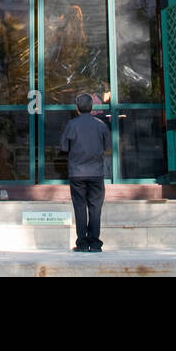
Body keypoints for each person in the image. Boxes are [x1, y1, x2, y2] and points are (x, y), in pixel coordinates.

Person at [59, 93, 111, 253]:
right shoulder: (101, 125)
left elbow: (63, 148)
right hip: (96, 172)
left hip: (77, 172)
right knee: (95, 208)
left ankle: (81, 243)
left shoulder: (71, 125)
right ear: (92, 107)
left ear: (77, 108)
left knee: (80, 207)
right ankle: (95, 244)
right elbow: (107, 146)